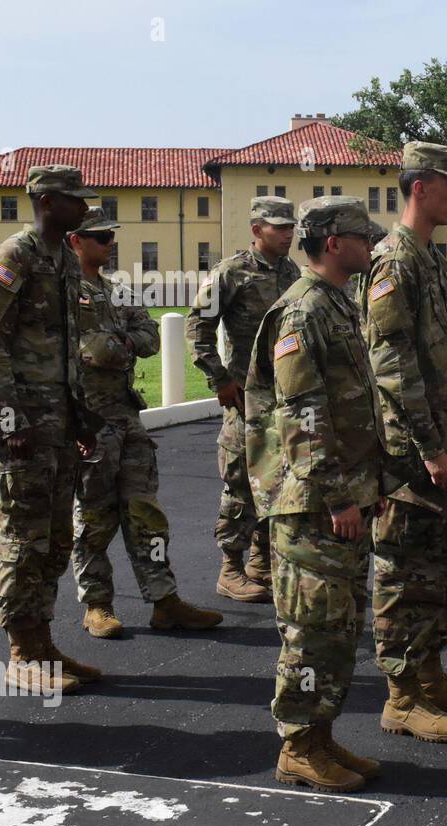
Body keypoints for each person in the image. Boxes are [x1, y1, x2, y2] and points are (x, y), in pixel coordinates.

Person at [245, 196, 391, 792]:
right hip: (309, 503)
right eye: (363, 237)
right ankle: (299, 747)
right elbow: (302, 414)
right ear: (333, 242)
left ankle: (322, 736)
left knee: (337, 625)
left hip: (340, 492)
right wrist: (336, 497)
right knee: (310, 629)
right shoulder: (303, 312)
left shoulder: (336, 303)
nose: (372, 246)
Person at [360, 141, 447, 743]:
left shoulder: (431, 259)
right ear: (420, 186)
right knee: (404, 574)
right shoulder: (393, 262)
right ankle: (401, 695)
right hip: (414, 457)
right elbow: (393, 366)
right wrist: (431, 449)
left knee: (443, 569)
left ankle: (432, 675)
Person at [0, 165, 104, 694]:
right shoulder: (13, 258)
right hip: (23, 426)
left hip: (58, 423)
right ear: (48, 202)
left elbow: (70, 348)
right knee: (22, 541)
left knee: (54, 538)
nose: (84, 209)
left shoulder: (65, 261)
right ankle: (22, 652)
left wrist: (81, 418)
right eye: (75, 201)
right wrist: (10, 423)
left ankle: (44, 642)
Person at [68, 207, 222, 637]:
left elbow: (149, 339)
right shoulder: (60, 291)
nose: (109, 243)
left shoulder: (117, 290)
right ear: (76, 240)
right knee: (95, 517)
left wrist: (112, 343)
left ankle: (164, 599)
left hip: (128, 418)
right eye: (100, 236)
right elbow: (93, 351)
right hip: (88, 423)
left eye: (111, 235)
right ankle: (96, 604)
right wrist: (115, 344)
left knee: (146, 513)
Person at [187, 196, 300, 602]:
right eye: (279, 227)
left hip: (283, 397)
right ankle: (230, 568)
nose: (288, 233)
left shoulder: (292, 271)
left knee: (278, 477)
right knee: (240, 479)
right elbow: (198, 327)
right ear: (257, 229)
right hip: (244, 397)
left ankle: (261, 562)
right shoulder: (230, 273)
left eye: (291, 227)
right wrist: (219, 379)